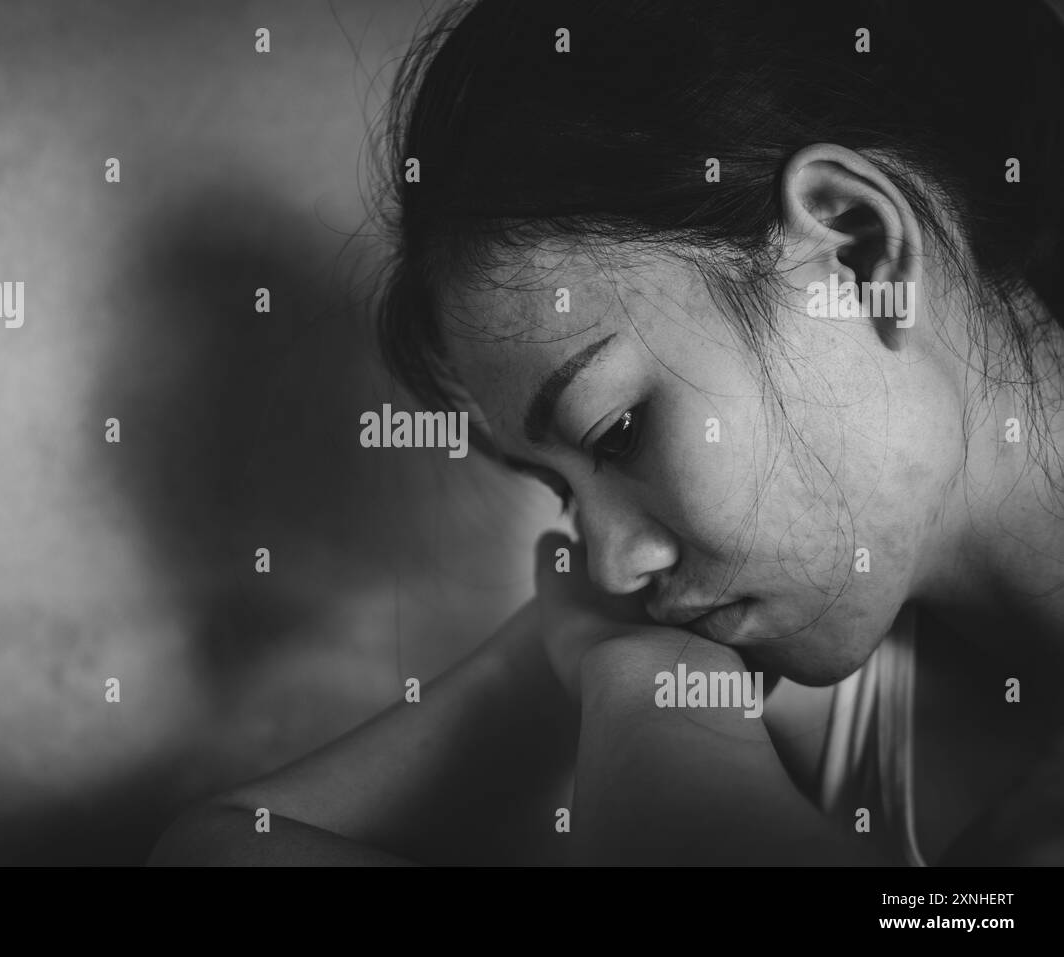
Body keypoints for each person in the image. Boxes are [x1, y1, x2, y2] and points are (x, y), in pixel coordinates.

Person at [150, 0, 1064, 865]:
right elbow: (219, 846)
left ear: (858, 249)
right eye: (559, 491)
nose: (607, 563)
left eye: (617, 430)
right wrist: (643, 669)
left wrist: (648, 703)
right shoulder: (788, 601)